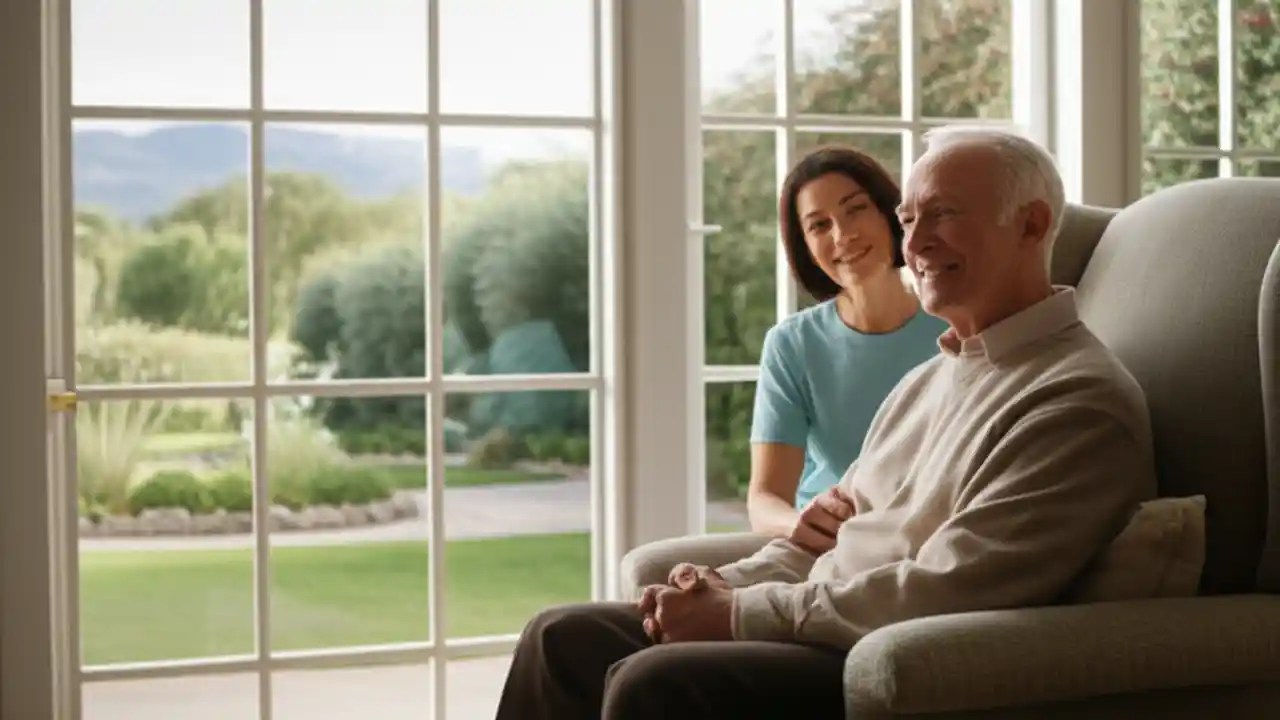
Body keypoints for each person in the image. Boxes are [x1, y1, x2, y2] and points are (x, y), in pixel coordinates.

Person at [495, 127, 1157, 719]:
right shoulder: (929, 379)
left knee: (653, 683)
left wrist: (739, 613)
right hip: (819, 617)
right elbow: (820, 538)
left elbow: (949, 590)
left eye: (944, 215)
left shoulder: (1077, 402)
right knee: (559, 638)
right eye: (909, 219)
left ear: (1032, 225)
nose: (915, 243)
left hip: (883, 653)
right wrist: (723, 586)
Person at [749, 146, 946, 556]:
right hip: (827, 550)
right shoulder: (792, 344)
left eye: (855, 209)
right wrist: (800, 525)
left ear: (889, 214)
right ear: (805, 246)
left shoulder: (955, 325)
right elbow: (764, 499)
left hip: (927, 541)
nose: (843, 235)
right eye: (819, 225)